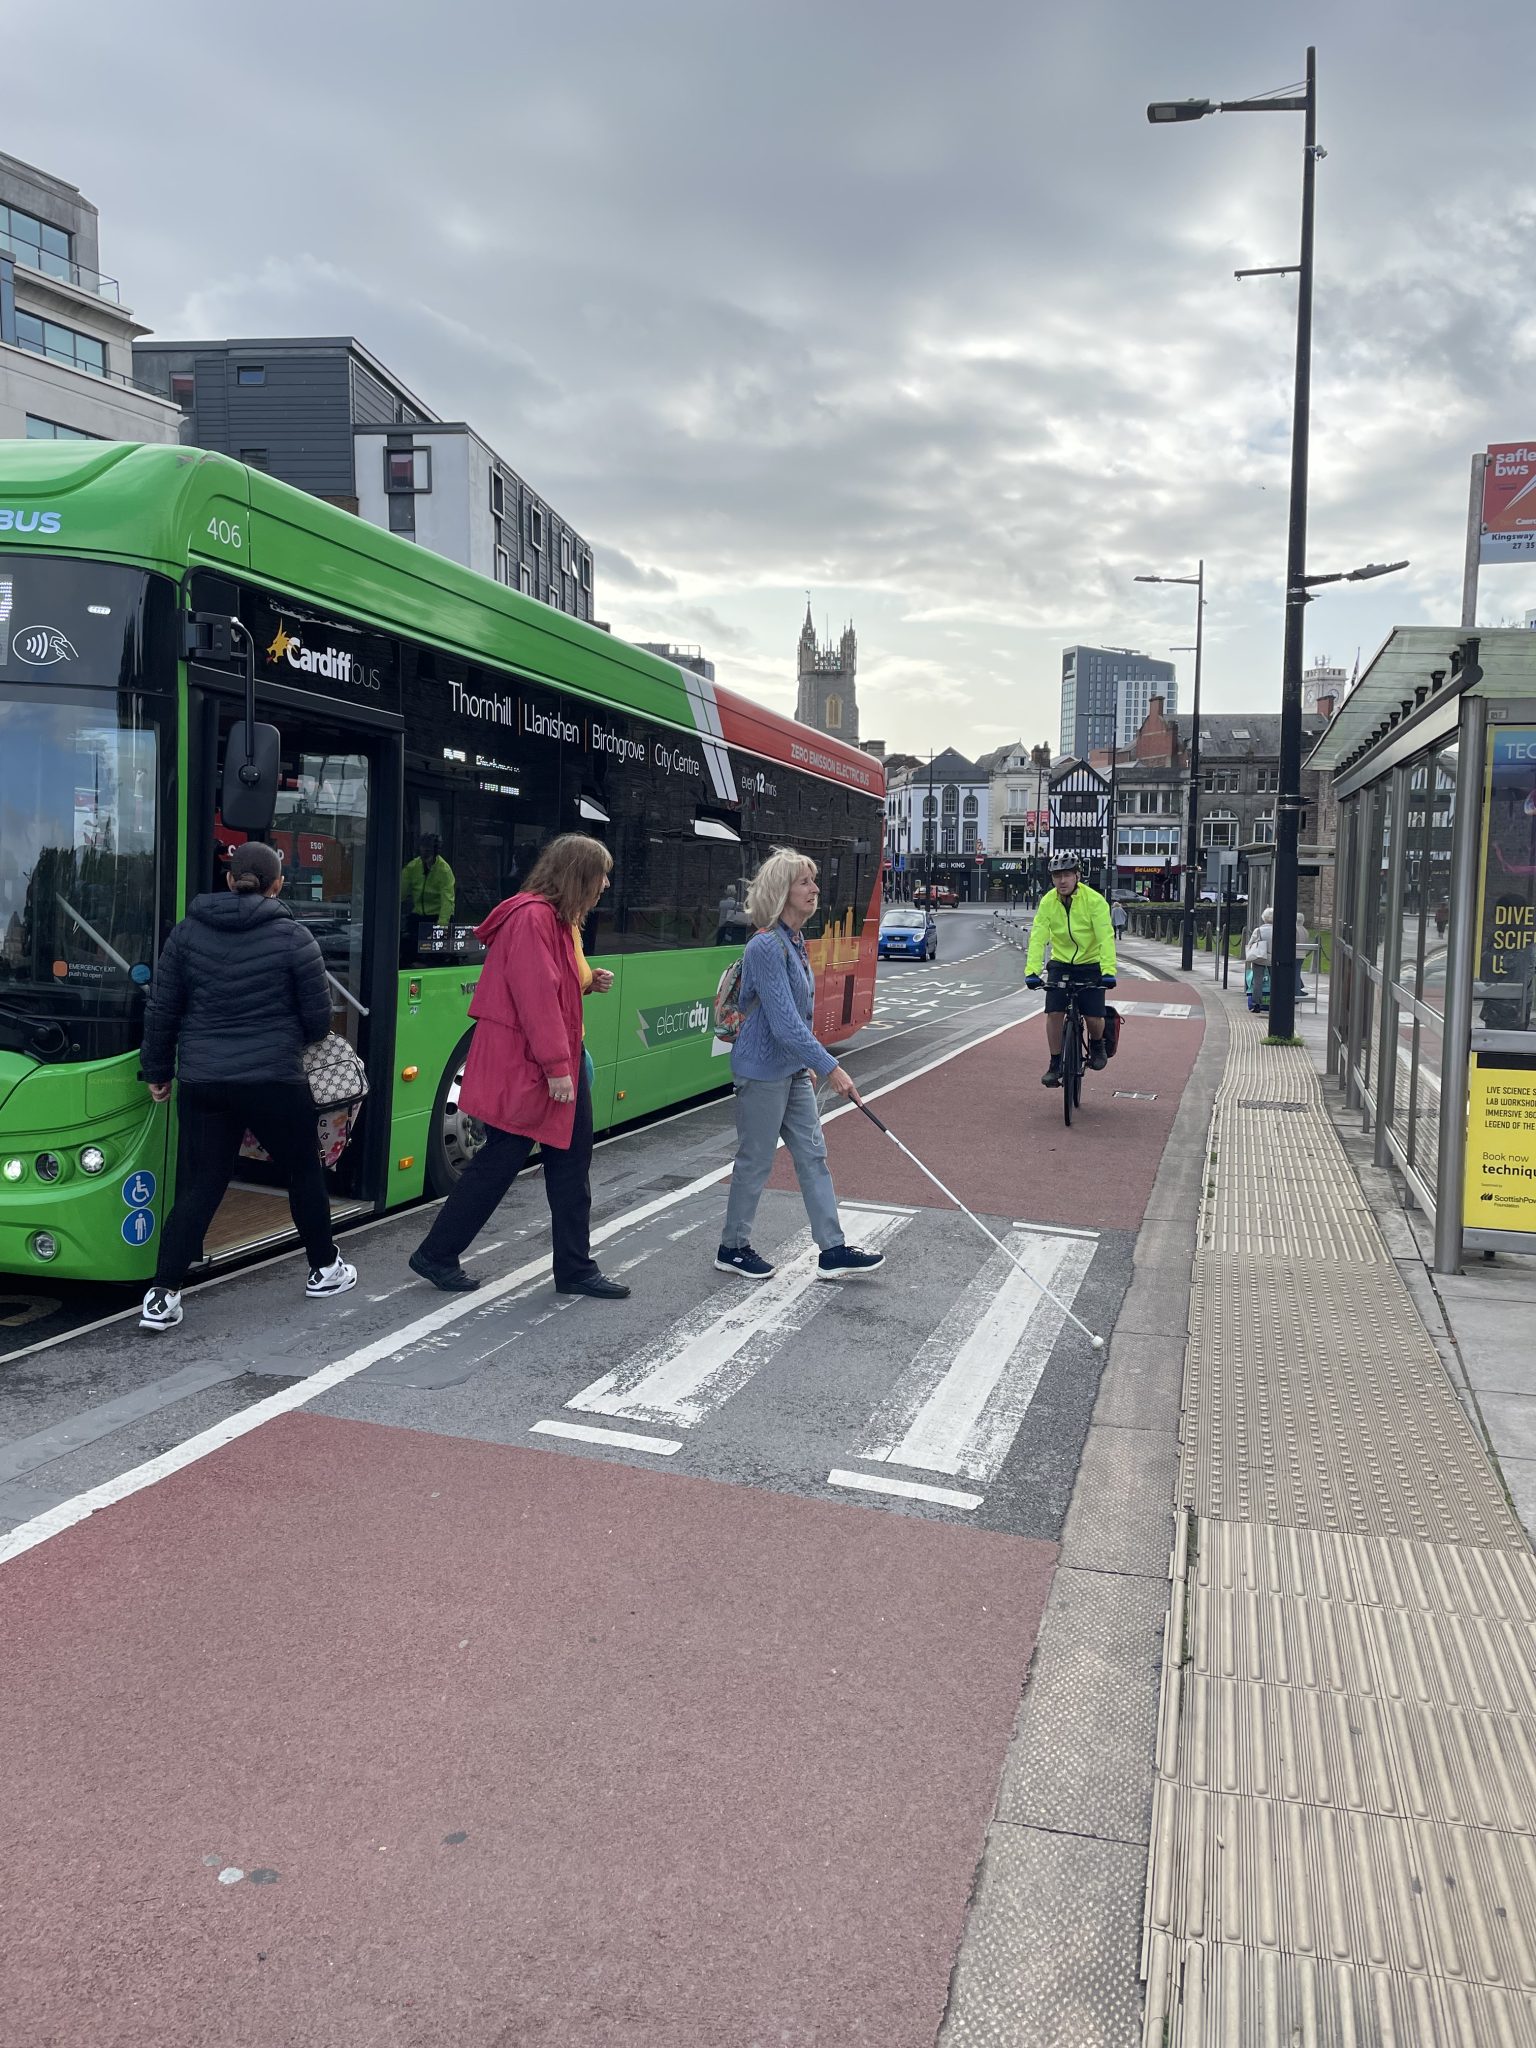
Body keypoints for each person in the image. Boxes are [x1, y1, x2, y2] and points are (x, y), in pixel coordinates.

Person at [137, 840, 356, 1331]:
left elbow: (163, 1010)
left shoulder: (186, 935)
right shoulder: (295, 937)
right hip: (274, 1079)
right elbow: (318, 1021)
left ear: (230, 880)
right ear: (277, 884)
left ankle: (162, 1295)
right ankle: (324, 1269)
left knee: (203, 1183)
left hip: (203, 1080)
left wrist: (156, 1071)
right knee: (303, 1171)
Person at [408, 833, 629, 1299]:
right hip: (535, 1067)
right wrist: (557, 1070)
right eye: (600, 875)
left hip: (541, 1062)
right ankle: (440, 1253)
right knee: (508, 1163)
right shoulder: (533, 919)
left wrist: (587, 985)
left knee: (557, 1166)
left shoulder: (550, 918)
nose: (606, 884)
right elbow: (536, 1000)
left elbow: (553, 987)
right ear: (578, 876)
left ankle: (574, 1269)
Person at [715, 847, 886, 1282]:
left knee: (813, 1155)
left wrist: (805, 1062)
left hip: (790, 1070)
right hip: (760, 1070)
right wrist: (831, 1066)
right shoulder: (766, 947)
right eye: (805, 882)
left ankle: (833, 1249)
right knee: (755, 1160)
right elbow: (784, 1020)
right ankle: (732, 1247)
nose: (815, 889)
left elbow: (796, 1019)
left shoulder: (795, 942)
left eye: (813, 880)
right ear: (782, 891)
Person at [1024, 854, 1117, 1087]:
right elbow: (1038, 937)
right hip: (1061, 963)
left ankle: (1097, 1044)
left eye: (1066, 875)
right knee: (1053, 1012)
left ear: (1077, 876)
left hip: (1090, 963)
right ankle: (1055, 1063)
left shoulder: (1094, 901)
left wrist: (1108, 971)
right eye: (1057, 876)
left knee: (1094, 1015)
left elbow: (1105, 937)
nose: (1062, 880)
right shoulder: (1048, 902)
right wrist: (1033, 971)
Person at [401, 833, 456, 929]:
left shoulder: (444, 870)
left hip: (436, 916)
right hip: (418, 915)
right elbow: (401, 892)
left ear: (436, 852)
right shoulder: (412, 867)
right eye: (423, 849)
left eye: (429, 852)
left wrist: (441, 927)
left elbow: (447, 900)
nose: (426, 858)